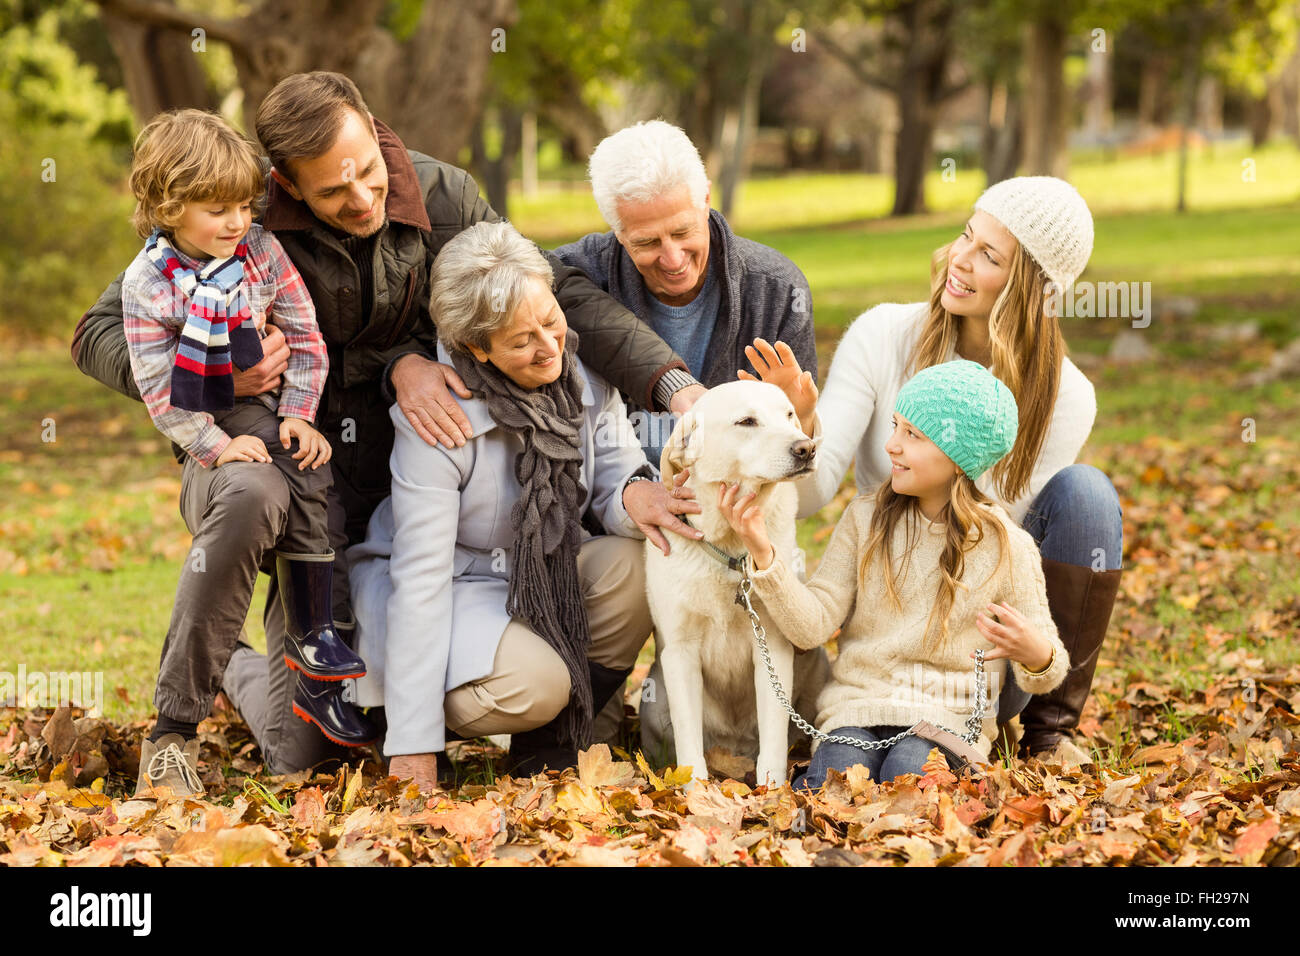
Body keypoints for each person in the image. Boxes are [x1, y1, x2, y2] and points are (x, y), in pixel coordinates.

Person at [71, 72, 700, 775]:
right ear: (288, 184)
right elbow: (96, 332)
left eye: (369, 172)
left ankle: (536, 718)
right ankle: (238, 670)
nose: (363, 199)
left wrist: (672, 385)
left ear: (374, 131)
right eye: (335, 193)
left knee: (418, 648)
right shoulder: (244, 218)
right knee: (302, 752)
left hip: (406, 472)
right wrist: (215, 375)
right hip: (293, 473)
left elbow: (540, 289)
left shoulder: (443, 195)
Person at [750, 176, 1123, 762]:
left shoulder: (1066, 396)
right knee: (843, 775)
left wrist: (1027, 652)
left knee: (1089, 495)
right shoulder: (882, 335)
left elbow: (998, 540)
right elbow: (816, 492)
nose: (959, 259)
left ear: (1030, 289)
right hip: (879, 641)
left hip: (967, 659)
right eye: (966, 236)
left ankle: (1050, 734)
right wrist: (800, 425)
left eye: (988, 256)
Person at [346, 221, 692, 792]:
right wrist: (414, 747)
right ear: (475, 349)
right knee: (538, 683)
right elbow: (421, 582)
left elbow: (612, 473)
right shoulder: (437, 414)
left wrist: (641, 495)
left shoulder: (578, 369)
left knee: (638, 566)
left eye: (551, 320)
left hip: (542, 568)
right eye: (521, 339)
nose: (550, 346)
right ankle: (398, 718)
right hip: (450, 585)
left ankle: (547, 746)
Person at [120, 109, 367, 796]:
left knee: (304, 760)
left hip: (279, 426)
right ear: (167, 205)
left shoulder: (259, 250)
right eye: (214, 210)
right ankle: (172, 730)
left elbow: (306, 335)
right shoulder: (147, 284)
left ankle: (278, 651)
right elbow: (159, 391)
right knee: (254, 489)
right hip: (215, 446)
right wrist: (217, 442)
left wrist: (298, 415)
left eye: (242, 207)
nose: (234, 223)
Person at [718, 360, 1070, 788]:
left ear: (959, 456)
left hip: (947, 717)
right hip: (858, 707)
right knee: (839, 779)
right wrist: (763, 554)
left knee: (908, 770)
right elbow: (811, 628)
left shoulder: (1006, 547)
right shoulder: (864, 519)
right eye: (894, 426)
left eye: (912, 435)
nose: (890, 445)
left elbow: (1051, 666)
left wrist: (1036, 652)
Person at [552, 120, 817, 465]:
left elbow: (800, 467)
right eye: (647, 241)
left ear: (706, 199)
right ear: (617, 230)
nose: (673, 259)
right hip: (604, 509)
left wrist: (803, 419)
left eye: (683, 231)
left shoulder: (778, 290)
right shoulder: (567, 278)